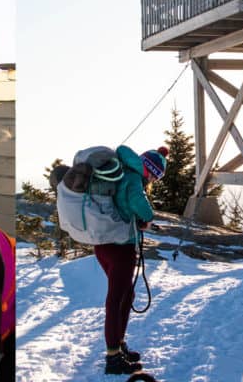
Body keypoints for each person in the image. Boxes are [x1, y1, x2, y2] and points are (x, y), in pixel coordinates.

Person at [94, 145, 167, 375]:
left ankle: (119, 344)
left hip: (103, 245)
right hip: (120, 248)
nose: (154, 180)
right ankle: (113, 357)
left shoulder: (121, 172)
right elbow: (140, 205)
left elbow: (122, 206)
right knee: (116, 299)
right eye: (155, 176)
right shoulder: (135, 179)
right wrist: (147, 218)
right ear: (151, 171)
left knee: (126, 294)